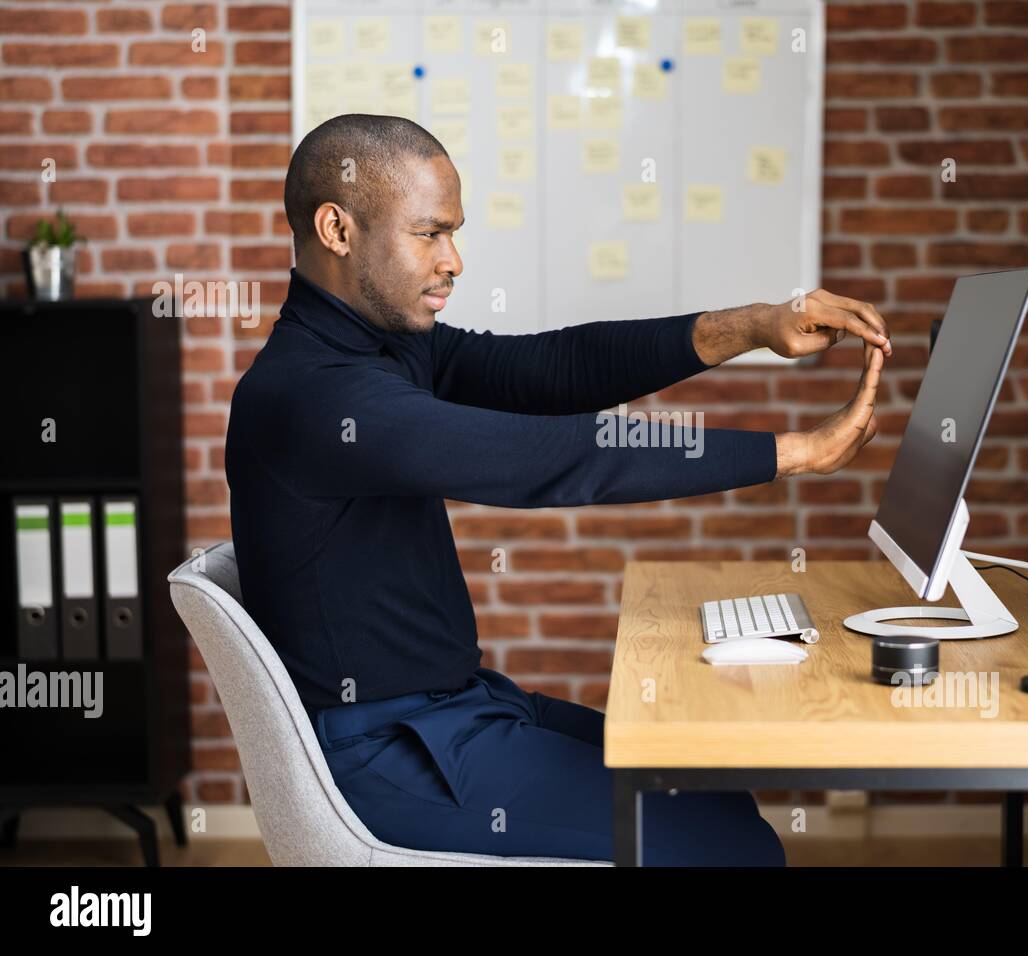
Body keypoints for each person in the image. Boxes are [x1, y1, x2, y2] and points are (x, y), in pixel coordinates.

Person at [226, 114, 889, 866]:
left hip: (461, 708)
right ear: (337, 228)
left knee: (714, 797)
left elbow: (555, 369)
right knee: (733, 849)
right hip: (392, 756)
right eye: (430, 234)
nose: (455, 261)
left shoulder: (386, 349)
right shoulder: (313, 396)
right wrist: (793, 451)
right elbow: (553, 457)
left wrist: (759, 325)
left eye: (455, 233)